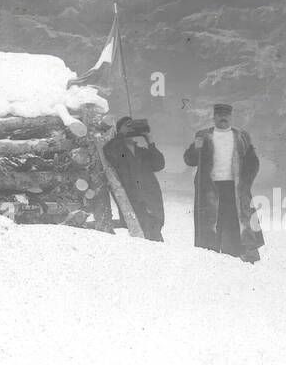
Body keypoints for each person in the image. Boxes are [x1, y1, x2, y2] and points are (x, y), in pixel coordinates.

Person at [184, 102, 263, 262]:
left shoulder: (242, 136)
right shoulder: (203, 135)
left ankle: (236, 255)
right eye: (219, 116)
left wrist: (246, 182)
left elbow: (253, 162)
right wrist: (195, 147)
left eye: (226, 116)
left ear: (231, 117)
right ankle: (210, 257)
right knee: (211, 223)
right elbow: (190, 160)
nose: (223, 119)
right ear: (214, 117)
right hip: (209, 188)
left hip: (234, 188)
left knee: (237, 222)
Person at [102, 116, 166, 241]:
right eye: (128, 127)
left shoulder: (142, 151)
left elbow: (159, 164)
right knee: (142, 234)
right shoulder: (117, 150)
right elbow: (110, 152)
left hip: (151, 198)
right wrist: (121, 134)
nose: (131, 131)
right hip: (133, 198)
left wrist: (150, 140)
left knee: (154, 230)